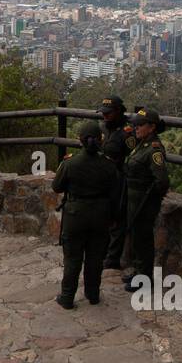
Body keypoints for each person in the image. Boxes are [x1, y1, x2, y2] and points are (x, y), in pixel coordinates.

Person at [51, 121, 121, 308]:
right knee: (95, 258)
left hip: (75, 215)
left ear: (80, 140)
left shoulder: (70, 163)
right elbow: (115, 194)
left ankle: (67, 297)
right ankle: (93, 294)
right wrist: (114, 217)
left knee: (72, 258)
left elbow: (57, 187)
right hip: (100, 215)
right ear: (100, 140)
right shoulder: (108, 165)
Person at [121, 106, 169, 288]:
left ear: (152, 127)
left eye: (140, 125)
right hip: (134, 199)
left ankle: (145, 278)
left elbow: (162, 180)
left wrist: (150, 201)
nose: (136, 128)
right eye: (136, 125)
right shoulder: (142, 145)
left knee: (143, 238)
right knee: (136, 237)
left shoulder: (154, 150)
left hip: (144, 202)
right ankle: (138, 270)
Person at [98, 95, 134, 271]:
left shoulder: (127, 132)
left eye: (108, 113)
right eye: (103, 113)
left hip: (120, 179)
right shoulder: (104, 127)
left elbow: (133, 156)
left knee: (118, 219)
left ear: (118, 111)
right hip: (103, 177)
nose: (105, 116)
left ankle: (112, 258)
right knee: (103, 216)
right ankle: (102, 253)